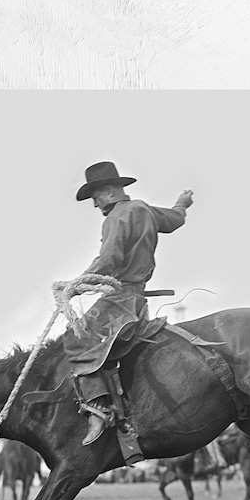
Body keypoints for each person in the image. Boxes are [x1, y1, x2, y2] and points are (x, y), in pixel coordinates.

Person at [65, 161, 194, 445]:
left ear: (109, 192)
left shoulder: (116, 218)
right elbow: (173, 220)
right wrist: (182, 203)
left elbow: (109, 259)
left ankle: (98, 408)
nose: (95, 203)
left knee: (76, 339)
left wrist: (77, 284)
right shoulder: (144, 209)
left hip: (121, 298)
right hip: (137, 298)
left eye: (96, 196)